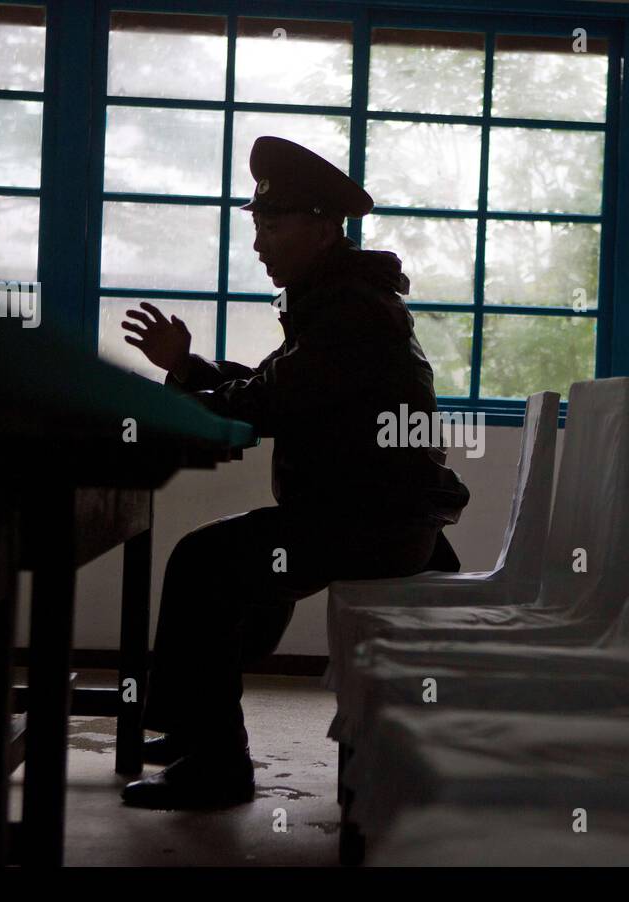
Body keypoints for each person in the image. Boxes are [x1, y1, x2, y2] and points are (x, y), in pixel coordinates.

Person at [117, 136, 470, 809]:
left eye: (272, 227)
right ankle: (199, 723)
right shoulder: (341, 300)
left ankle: (218, 764)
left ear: (320, 227)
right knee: (234, 563)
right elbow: (282, 384)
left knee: (204, 562)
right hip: (377, 519)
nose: (259, 246)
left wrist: (188, 394)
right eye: (257, 226)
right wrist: (191, 371)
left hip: (370, 526)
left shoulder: (349, 312)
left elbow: (270, 400)